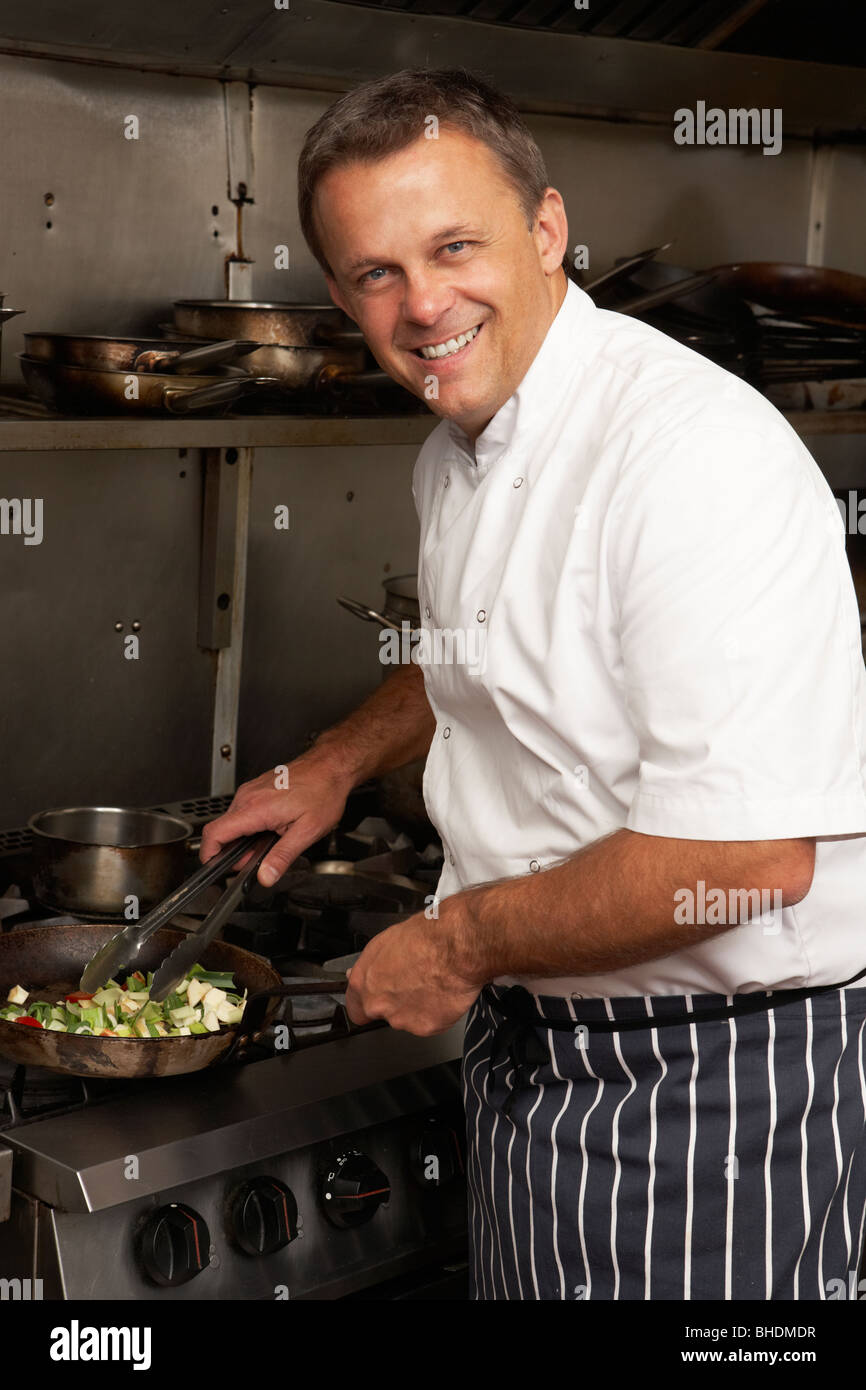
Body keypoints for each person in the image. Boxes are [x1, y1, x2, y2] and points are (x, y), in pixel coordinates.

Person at [201, 67, 866, 1301]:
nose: (422, 305)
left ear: (548, 229)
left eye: (455, 246)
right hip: (541, 1059)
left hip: (705, 1095)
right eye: (374, 274)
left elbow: (748, 857)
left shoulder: (688, 455)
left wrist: (452, 943)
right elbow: (495, 645)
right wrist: (340, 762)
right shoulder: (458, 439)